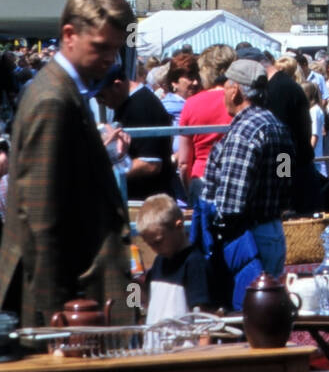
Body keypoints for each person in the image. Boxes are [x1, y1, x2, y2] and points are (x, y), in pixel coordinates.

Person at [0, 0, 134, 325]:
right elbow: (40, 219)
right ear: (69, 35)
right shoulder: (53, 100)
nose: (109, 59)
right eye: (101, 47)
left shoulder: (63, 91)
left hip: (76, 297)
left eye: (116, 49)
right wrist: (55, 318)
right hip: (70, 305)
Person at [204, 59, 294, 277]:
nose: (223, 94)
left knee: (244, 308)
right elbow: (285, 179)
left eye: (225, 88)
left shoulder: (244, 132)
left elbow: (230, 206)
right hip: (273, 232)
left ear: (235, 91)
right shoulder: (278, 127)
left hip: (247, 240)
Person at [98, 65, 175, 202]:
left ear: (117, 85)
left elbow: (151, 164)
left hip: (149, 202)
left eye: (101, 96)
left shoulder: (141, 107)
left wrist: (108, 174)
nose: (100, 102)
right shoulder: (127, 103)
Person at [138, 194, 211, 323]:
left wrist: (204, 342)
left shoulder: (194, 263)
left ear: (179, 226)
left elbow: (203, 317)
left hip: (183, 341)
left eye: (158, 242)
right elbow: (150, 303)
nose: (154, 249)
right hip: (157, 340)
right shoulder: (159, 262)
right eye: (149, 244)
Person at [177, 45, 235, 205]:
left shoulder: (191, 104)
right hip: (234, 177)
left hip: (200, 177)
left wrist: (189, 191)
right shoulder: (240, 102)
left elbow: (183, 163)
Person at [303, 80, 328, 176]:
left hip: (315, 159)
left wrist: (307, 153)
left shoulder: (314, 111)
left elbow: (315, 135)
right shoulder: (312, 110)